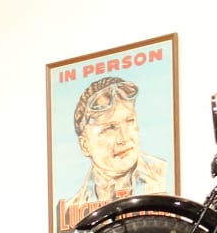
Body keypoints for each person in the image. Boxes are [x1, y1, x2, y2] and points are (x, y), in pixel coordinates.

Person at [61, 75, 168, 217]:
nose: (123, 138)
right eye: (110, 128)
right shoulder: (71, 209)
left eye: (130, 121)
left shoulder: (164, 174)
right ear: (85, 145)